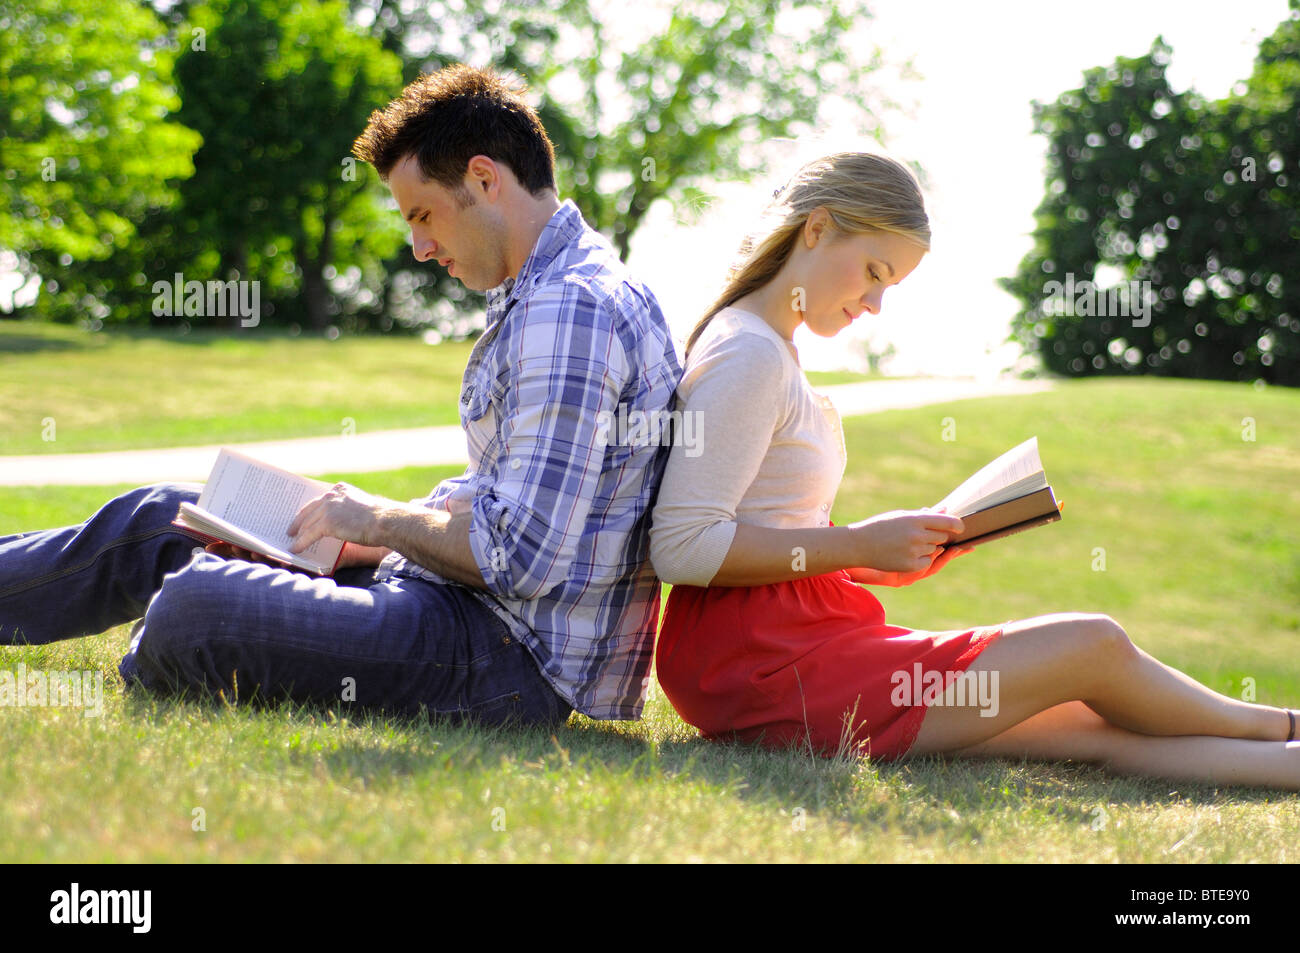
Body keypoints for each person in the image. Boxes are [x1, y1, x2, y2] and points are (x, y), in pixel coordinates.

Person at [0, 64, 682, 728]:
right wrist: (367, 534)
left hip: (505, 658)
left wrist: (381, 523)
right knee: (165, 516)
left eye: (424, 215)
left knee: (196, 603)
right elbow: (507, 497)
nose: (419, 246)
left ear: (483, 179)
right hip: (448, 601)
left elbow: (521, 557)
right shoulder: (541, 292)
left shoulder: (572, 308)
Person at [648, 151, 1300, 789]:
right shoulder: (749, 355)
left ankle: (1287, 755)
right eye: (873, 271)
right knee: (1091, 644)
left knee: (1082, 721)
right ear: (815, 229)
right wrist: (855, 541)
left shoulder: (772, 349)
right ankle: (1280, 724)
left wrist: (875, 555)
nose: (874, 303)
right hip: (762, 664)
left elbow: (769, 524)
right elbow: (683, 545)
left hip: (790, 644)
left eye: (889, 285)